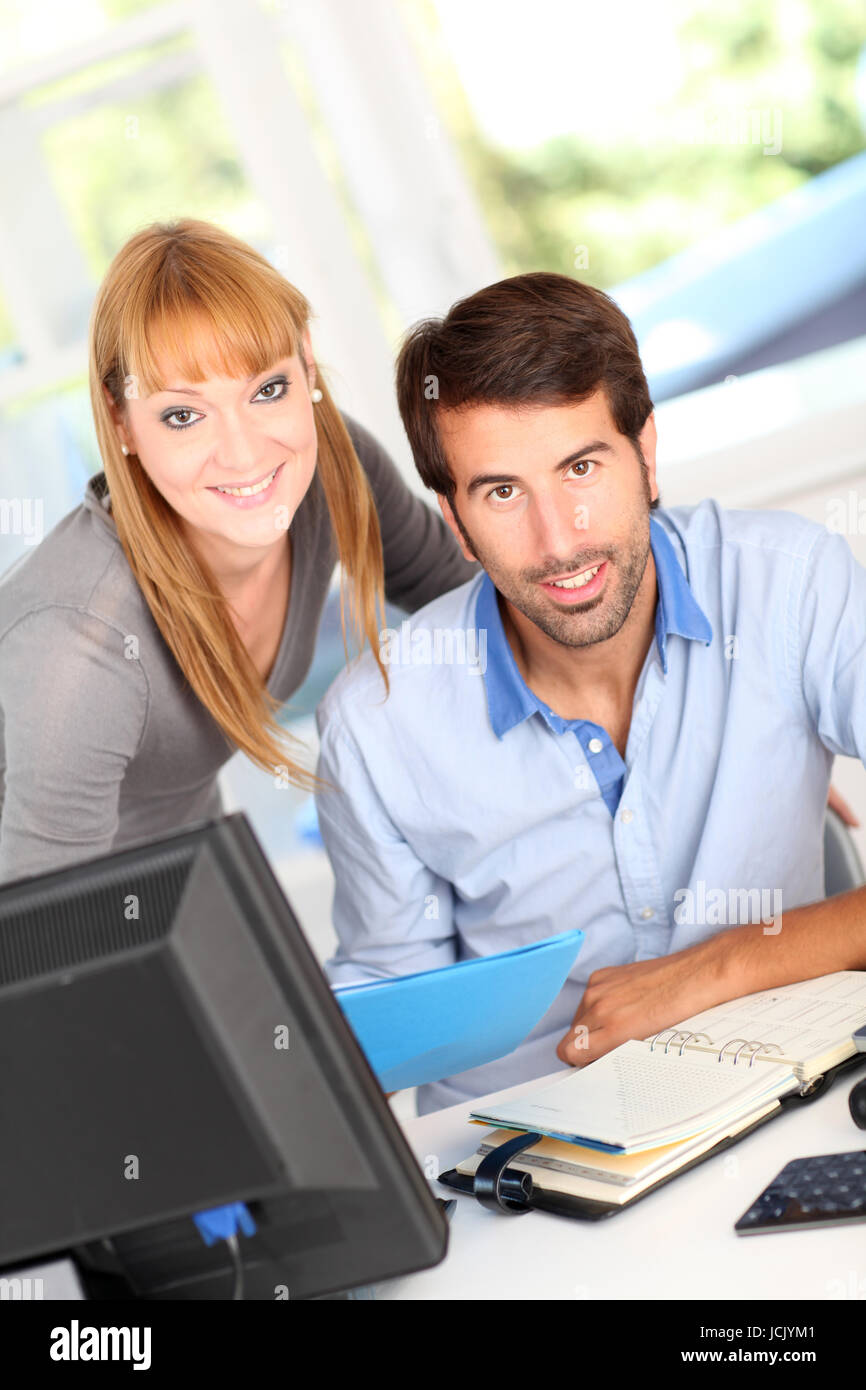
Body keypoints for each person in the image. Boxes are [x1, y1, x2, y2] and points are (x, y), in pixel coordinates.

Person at [314, 270, 866, 1115]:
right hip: (525, 1159)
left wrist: (716, 967)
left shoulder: (790, 588)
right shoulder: (375, 727)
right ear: (454, 520)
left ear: (645, 455)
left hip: (769, 1100)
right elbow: (390, 1029)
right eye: (502, 491)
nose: (558, 539)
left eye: (581, 466)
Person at [0, 219, 476, 885]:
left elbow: (471, 605)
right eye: (183, 415)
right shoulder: (81, 647)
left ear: (306, 362)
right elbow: (43, 944)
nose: (246, 452)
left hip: (178, 889)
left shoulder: (334, 469)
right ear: (119, 419)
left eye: (267, 390)